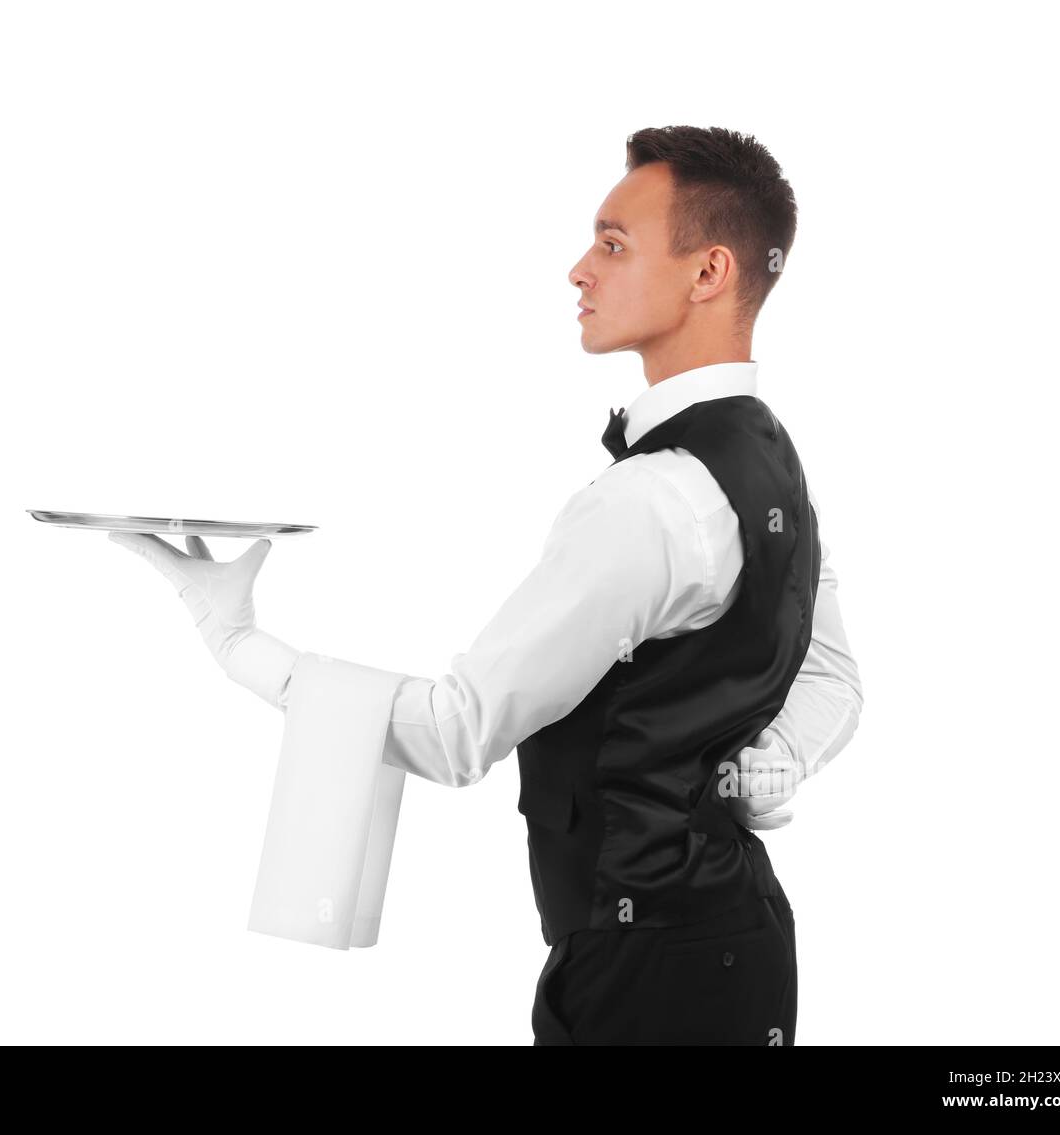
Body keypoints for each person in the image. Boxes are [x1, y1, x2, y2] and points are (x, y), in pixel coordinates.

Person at [110, 125, 862, 1045]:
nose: (579, 269)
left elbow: (459, 730)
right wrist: (763, 767)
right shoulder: (776, 460)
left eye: (613, 243)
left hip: (644, 982)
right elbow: (832, 680)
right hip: (747, 946)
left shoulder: (646, 503)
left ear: (707, 273)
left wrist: (240, 645)